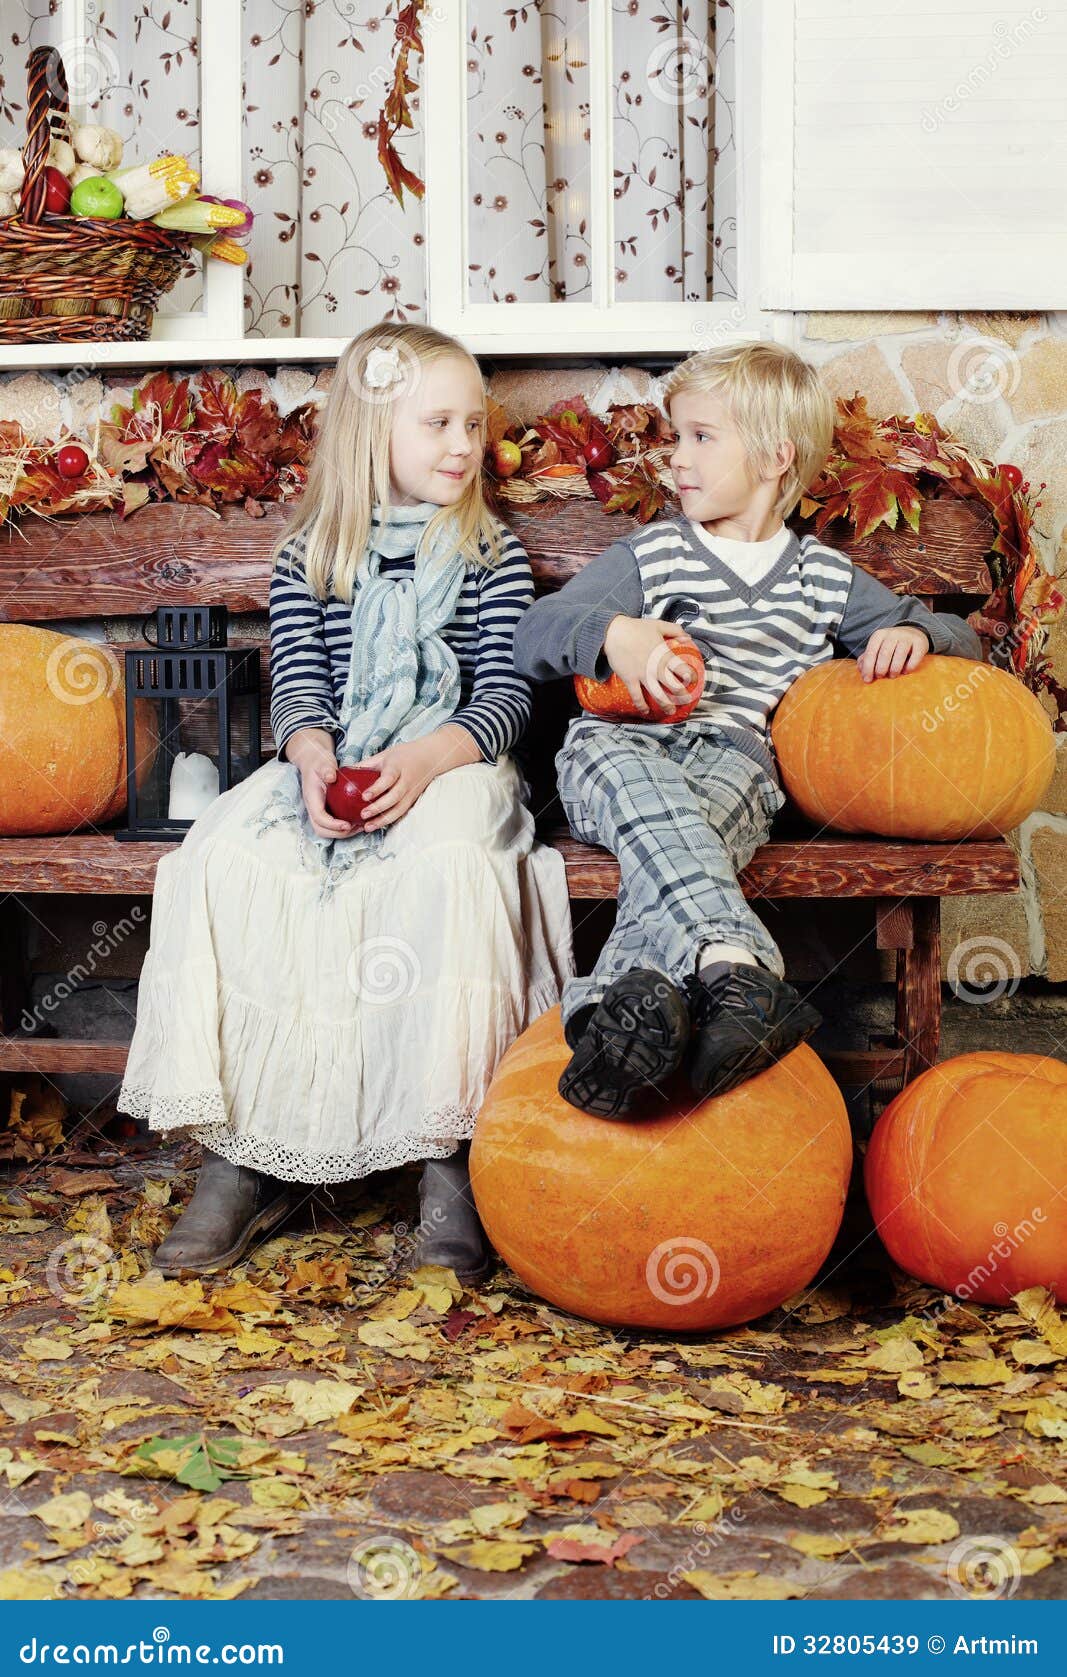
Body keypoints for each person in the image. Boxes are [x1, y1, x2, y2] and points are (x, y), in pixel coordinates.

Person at [117, 322, 575, 1279]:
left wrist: (426, 759)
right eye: (437, 423)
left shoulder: (487, 552)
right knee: (228, 856)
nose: (463, 444)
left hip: (454, 761)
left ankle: (447, 1156)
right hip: (343, 756)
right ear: (374, 433)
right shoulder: (314, 555)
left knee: (448, 863)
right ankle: (246, 1155)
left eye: (473, 424)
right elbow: (300, 690)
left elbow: (504, 694)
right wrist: (314, 762)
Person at [511, 340, 983, 1118]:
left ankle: (620, 1009)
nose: (675, 460)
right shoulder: (655, 552)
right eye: (675, 438)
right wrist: (615, 635)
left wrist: (923, 636)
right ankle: (738, 960)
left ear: (773, 458)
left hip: (735, 763)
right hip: (619, 749)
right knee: (641, 788)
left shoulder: (822, 579)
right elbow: (538, 629)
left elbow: (962, 636)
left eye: (701, 437)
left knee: (686, 829)